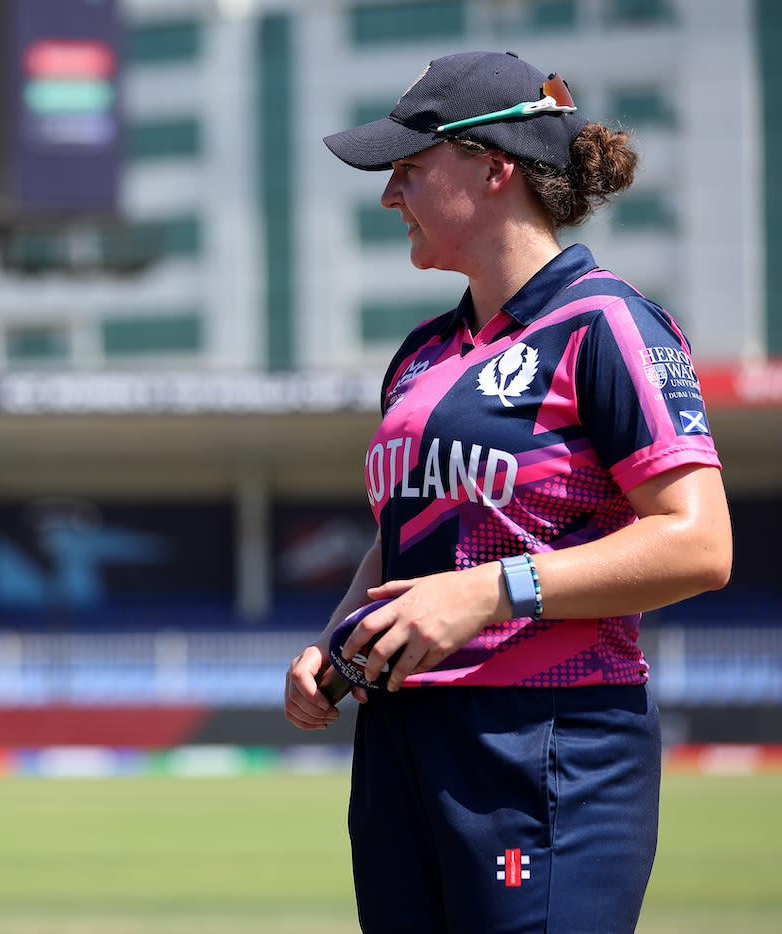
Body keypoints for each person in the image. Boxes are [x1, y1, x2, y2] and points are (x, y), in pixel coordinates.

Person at [284, 51, 732, 933]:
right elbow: (402, 538)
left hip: (546, 742)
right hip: (402, 748)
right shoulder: (418, 355)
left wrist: (493, 591)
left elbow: (699, 543)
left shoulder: (607, 325)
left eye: (409, 170)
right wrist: (339, 645)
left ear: (494, 168)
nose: (389, 197)